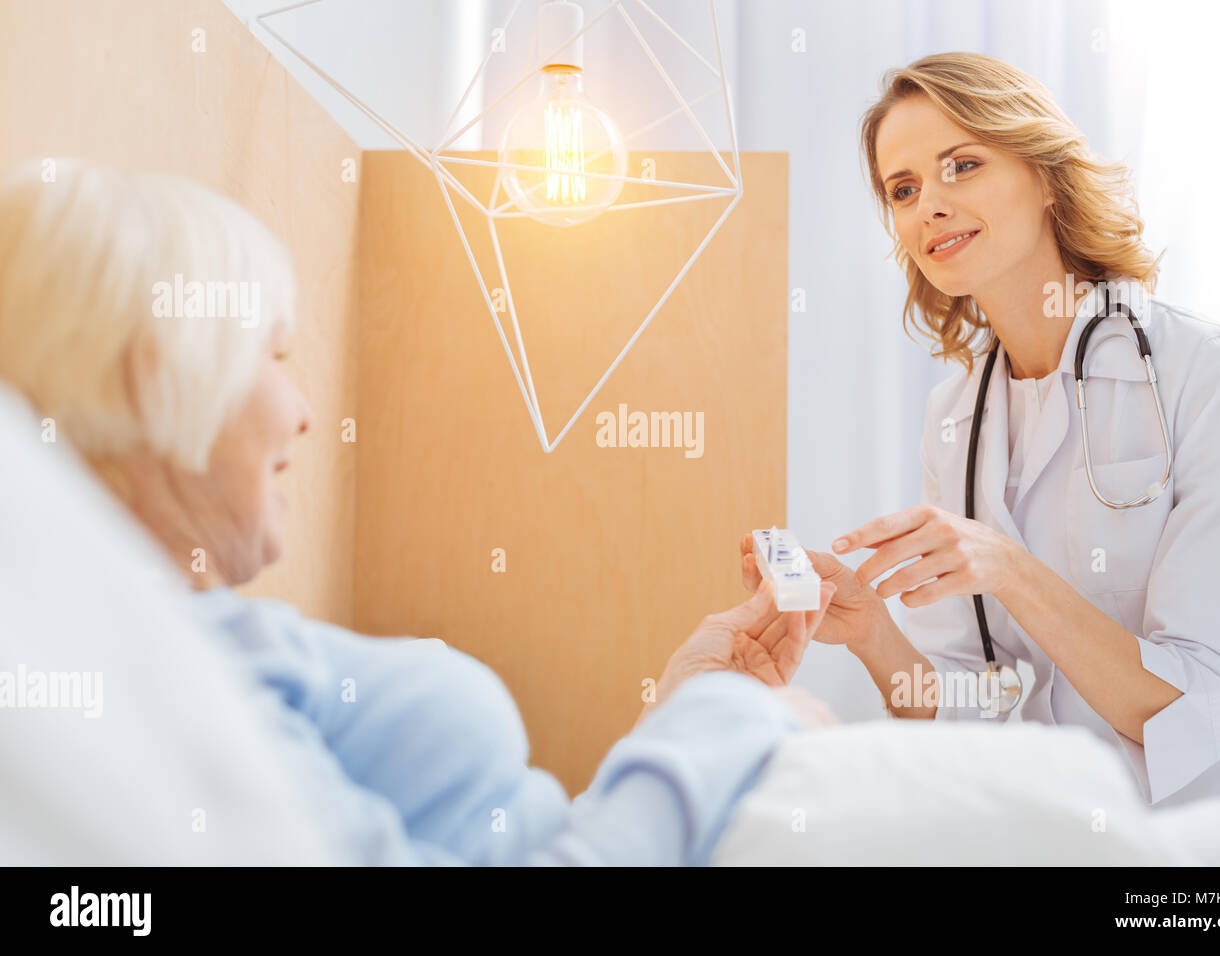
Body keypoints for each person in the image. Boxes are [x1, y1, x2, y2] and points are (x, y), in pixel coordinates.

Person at [0, 158, 836, 865]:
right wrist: (729, 723)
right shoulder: (179, 674)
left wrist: (688, 704)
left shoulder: (203, 649)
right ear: (156, 371)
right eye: (270, 356)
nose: (301, 412)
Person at [744, 52, 1220, 808]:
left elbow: (1198, 699)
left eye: (961, 165)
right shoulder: (956, 420)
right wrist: (873, 630)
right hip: (1060, 823)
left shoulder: (1209, 370)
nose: (927, 205)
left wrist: (1006, 566)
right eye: (902, 190)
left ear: (1044, 176)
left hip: (1217, 826)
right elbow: (975, 708)